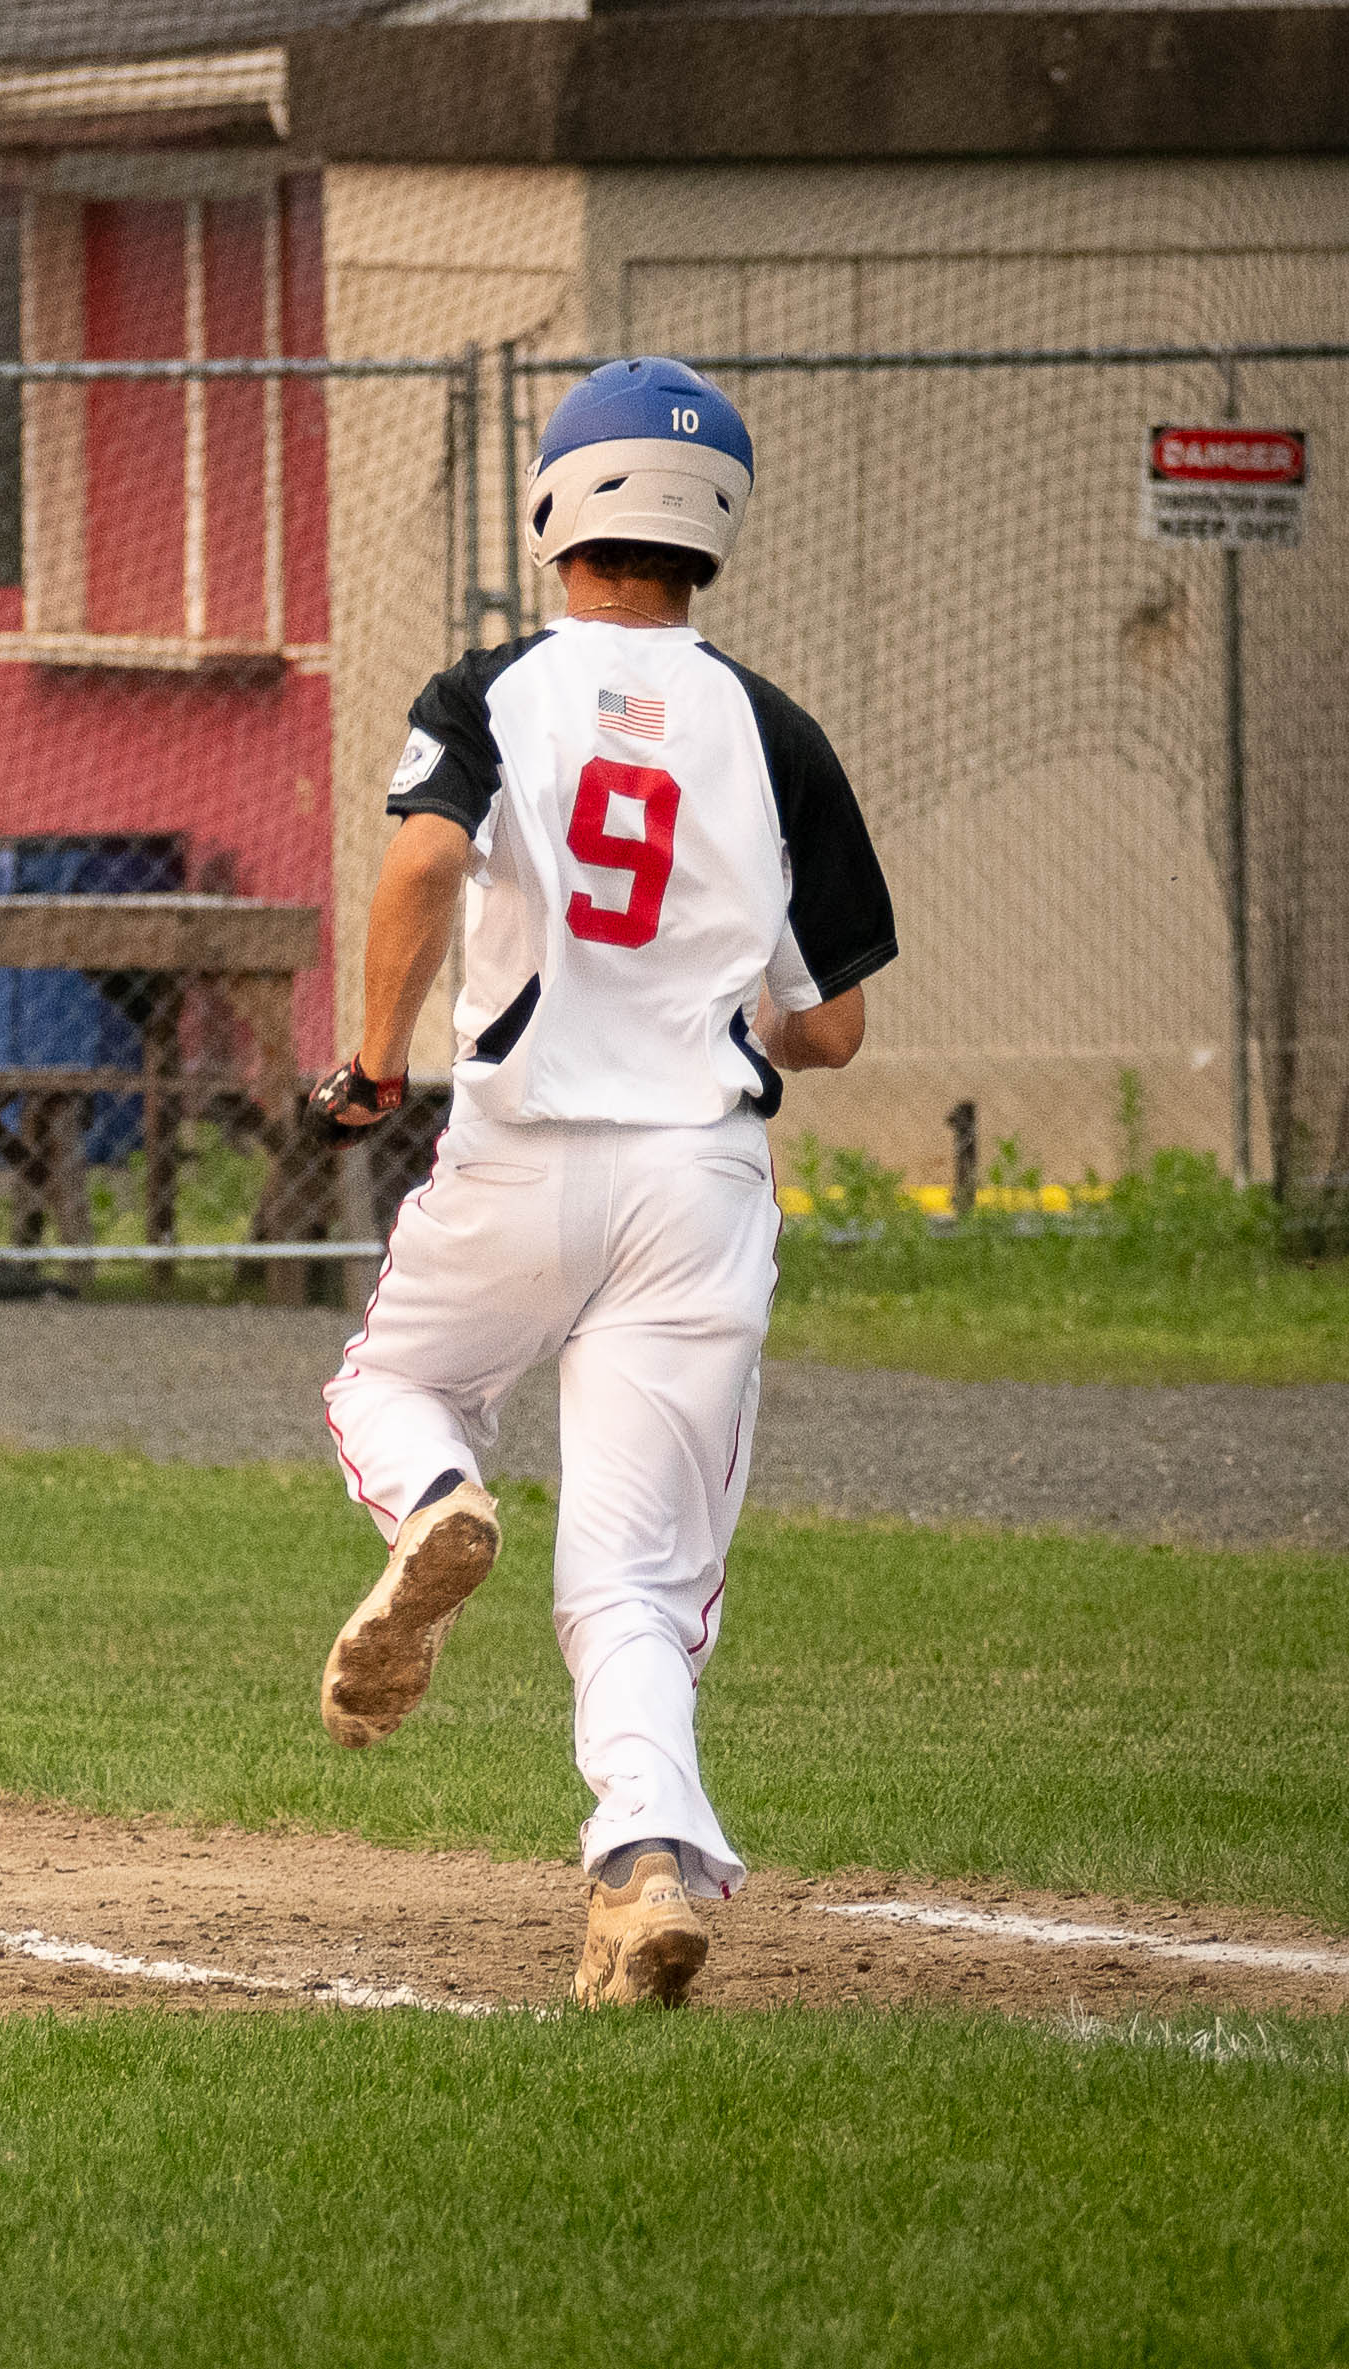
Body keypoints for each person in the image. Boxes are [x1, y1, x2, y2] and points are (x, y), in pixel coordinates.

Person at [305, 360, 897, 2008]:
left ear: (558, 505)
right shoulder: (773, 730)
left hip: (522, 1146)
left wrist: (373, 1058)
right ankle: (639, 1863)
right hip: (696, 1181)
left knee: (392, 1385)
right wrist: (730, 1016)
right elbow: (832, 1026)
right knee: (633, 1580)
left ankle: (439, 1500)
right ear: (713, 525)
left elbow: (427, 852)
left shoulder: (493, 688)